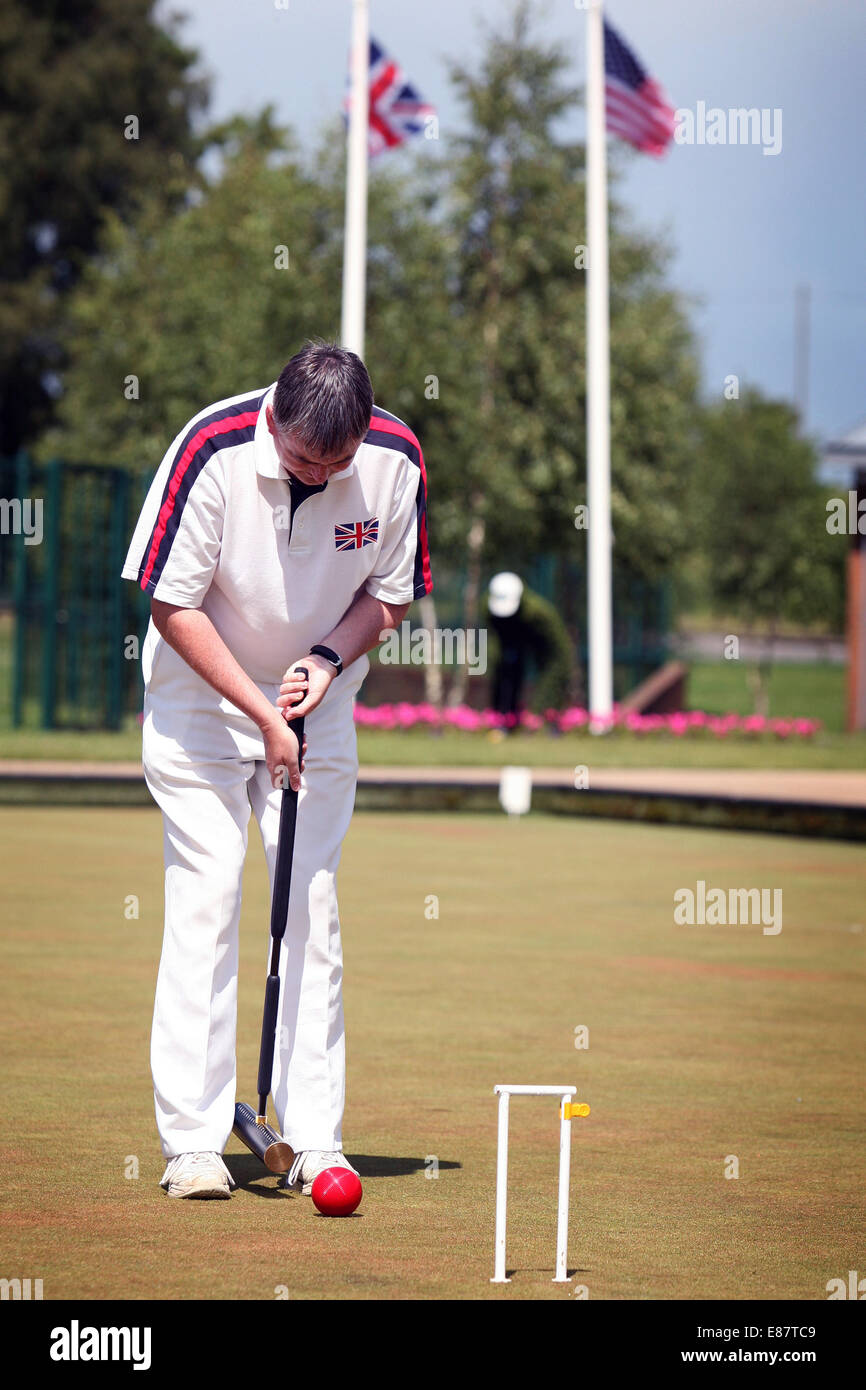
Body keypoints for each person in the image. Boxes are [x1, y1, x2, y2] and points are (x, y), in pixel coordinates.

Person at [121, 341, 432, 1199]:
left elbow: (392, 590)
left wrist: (328, 661)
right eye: (302, 457)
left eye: (335, 463)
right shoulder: (210, 448)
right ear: (275, 419)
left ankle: (316, 1134)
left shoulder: (394, 459)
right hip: (200, 701)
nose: (317, 473)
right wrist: (262, 716)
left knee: (311, 905)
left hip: (319, 695)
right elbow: (170, 600)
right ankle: (192, 1141)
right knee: (208, 894)